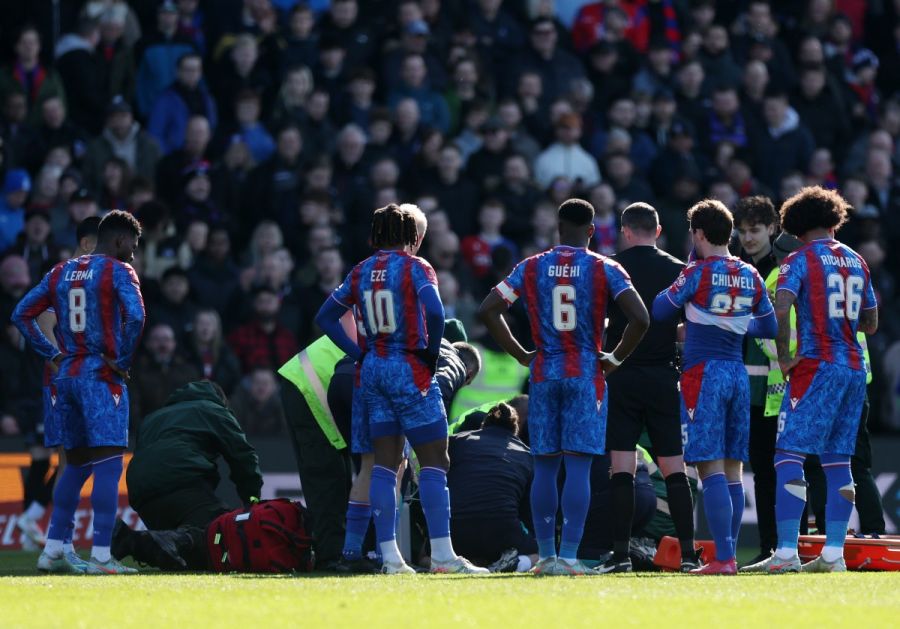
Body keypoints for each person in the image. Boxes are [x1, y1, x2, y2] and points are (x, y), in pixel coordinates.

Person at [478, 198, 650, 576]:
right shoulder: (605, 268)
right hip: (586, 373)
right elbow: (640, 317)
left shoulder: (532, 266)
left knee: (544, 467)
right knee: (577, 468)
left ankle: (545, 557)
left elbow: (488, 309)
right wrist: (614, 359)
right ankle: (570, 558)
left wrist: (522, 353)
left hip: (543, 373)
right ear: (591, 231)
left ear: (558, 229)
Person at [315, 203, 487, 575]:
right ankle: (443, 556)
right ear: (411, 236)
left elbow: (325, 317)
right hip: (408, 367)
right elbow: (437, 312)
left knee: (383, 465)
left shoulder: (361, 271)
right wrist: (428, 354)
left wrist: (359, 351)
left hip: (373, 368)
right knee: (435, 461)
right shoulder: (415, 267)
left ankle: (390, 557)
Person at [12, 210, 145, 575]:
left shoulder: (60, 272)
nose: (133, 254)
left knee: (74, 464)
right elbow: (135, 316)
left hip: (65, 376)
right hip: (102, 375)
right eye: (132, 245)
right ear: (119, 240)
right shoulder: (119, 272)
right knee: (107, 464)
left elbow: (21, 314)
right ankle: (101, 555)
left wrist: (52, 353)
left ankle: (53, 548)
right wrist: (121, 359)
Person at [652, 199, 777, 575]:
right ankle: (730, 556)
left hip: (703, 374)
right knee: (734, 470)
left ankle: (723, 559)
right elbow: (769, 327)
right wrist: (736, 325)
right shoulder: (750, 274)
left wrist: (691, 269)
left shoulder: (697, 273)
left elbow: (660, 310)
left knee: (710, 469)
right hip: (738, 375)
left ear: (699, 234)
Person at [767, 186, 878, 573]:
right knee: (838, 461)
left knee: (788, 455)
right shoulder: (858, 260)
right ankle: (833, 554)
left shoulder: (796, 261)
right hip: (853, 368)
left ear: (795, 228)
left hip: (815, 365)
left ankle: (785, 553)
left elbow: (781, 310)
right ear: (834, 219)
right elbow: (871, 321)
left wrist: (784, 357)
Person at [599, 202, 697, 573]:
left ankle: (621, 554)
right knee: (674, 467)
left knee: (621, 468)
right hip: (662, 376)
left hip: (621, 375)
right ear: (658, 231)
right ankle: (688, 554)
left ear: (624, 231)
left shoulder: (610, 268)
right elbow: (690, 327)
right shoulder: (679, 270)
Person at [16, 216, 100, 558]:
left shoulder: (92, 278)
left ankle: (52, 537)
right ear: (85, 243)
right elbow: (43, 321)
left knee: (77, 458)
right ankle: (59, 542)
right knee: (71, 458)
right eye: (103, 243)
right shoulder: (65, 276)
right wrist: (59, 362)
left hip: (80, 378)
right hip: (64, 381)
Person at [126, 381, 263, 531]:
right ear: (222, 401)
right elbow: (243, 456)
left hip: (140, 492)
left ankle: (136, 542)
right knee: (221, 532)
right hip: (180, 479)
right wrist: (252, 499)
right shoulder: (214, 409)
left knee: (170, 546)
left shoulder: (151, 418)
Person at [731, 196, 781, 567]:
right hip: (740, 386)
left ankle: (781, 547)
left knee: (774, 471)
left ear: (772, 229)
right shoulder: (729, 268)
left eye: (755, 230)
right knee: (754, 470)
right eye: (742, 231)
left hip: (777, 389)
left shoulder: (783, 268)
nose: (747, 238)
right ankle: (766, 549)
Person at [447, 402, 537, 573]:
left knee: (427, 554)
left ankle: (456, 563)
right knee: (540, 554)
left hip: (456, 530)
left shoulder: (456, 442)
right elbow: (527, 511)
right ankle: (518, 563)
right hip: (503, 530)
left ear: (484, 424)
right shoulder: (527, 455)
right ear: (515, 429)